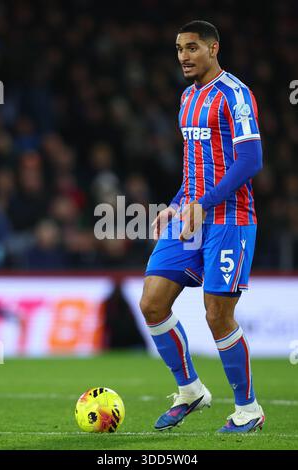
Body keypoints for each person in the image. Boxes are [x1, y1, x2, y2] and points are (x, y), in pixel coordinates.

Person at [140, 20, 264, 433]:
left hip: (229, 219)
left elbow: (250, 161)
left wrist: (201, 204)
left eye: (192, 48)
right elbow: (197, 168)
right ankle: (190, 390)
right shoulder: (187, 98)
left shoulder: (235, 94)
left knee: (217, 315)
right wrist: (176, 205)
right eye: (179, 49)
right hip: (191, 216)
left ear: (214, 48)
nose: (183, 57)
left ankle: (248, 409)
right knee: (152, 303)